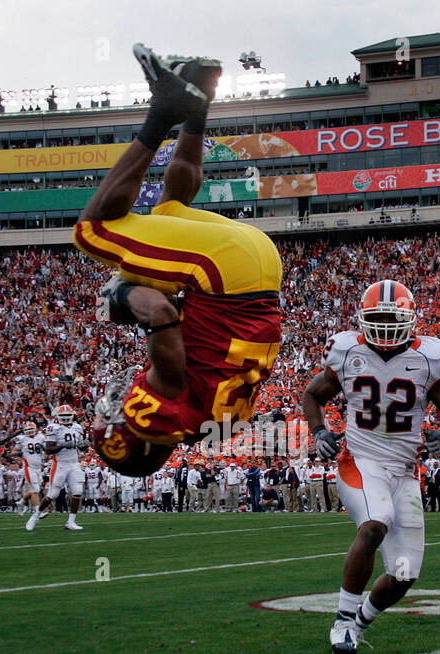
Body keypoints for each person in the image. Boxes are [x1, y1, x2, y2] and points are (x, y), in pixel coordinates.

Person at [76, 46, 282, 478]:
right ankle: (162, 115)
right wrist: (125, 295)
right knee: (92, 232)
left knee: (169, 209)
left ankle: (198, 97)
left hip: (260, 268)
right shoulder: (161, 406)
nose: (113, 410)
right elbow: (161, 312)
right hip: (224, 270)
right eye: (115, 420)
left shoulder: (214, 428)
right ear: (139, 430)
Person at [302, 279, 440, 654]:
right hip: (360, 460)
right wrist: (318, 431)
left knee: (405, 573)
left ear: (410, 319)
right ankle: (342, 620)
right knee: (375, 523)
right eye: (377, 317)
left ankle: (358, 624)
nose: (385, 325)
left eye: (392, 317)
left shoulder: (429, 357)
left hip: (405, 472)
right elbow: (313, 394)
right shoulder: (346, 351)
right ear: (362, 318)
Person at [15, 419, 47, 530]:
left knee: (35, 489)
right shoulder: (22, 439)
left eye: (31, 429)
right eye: (27, 430)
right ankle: (38, 511)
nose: (29, 432)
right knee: (35, 490)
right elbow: (14, 451)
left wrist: (44, 448)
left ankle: (21, 502)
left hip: (38, 468)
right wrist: (18, 453)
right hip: (29, 467)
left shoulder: (41, 437)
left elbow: (47, 450)